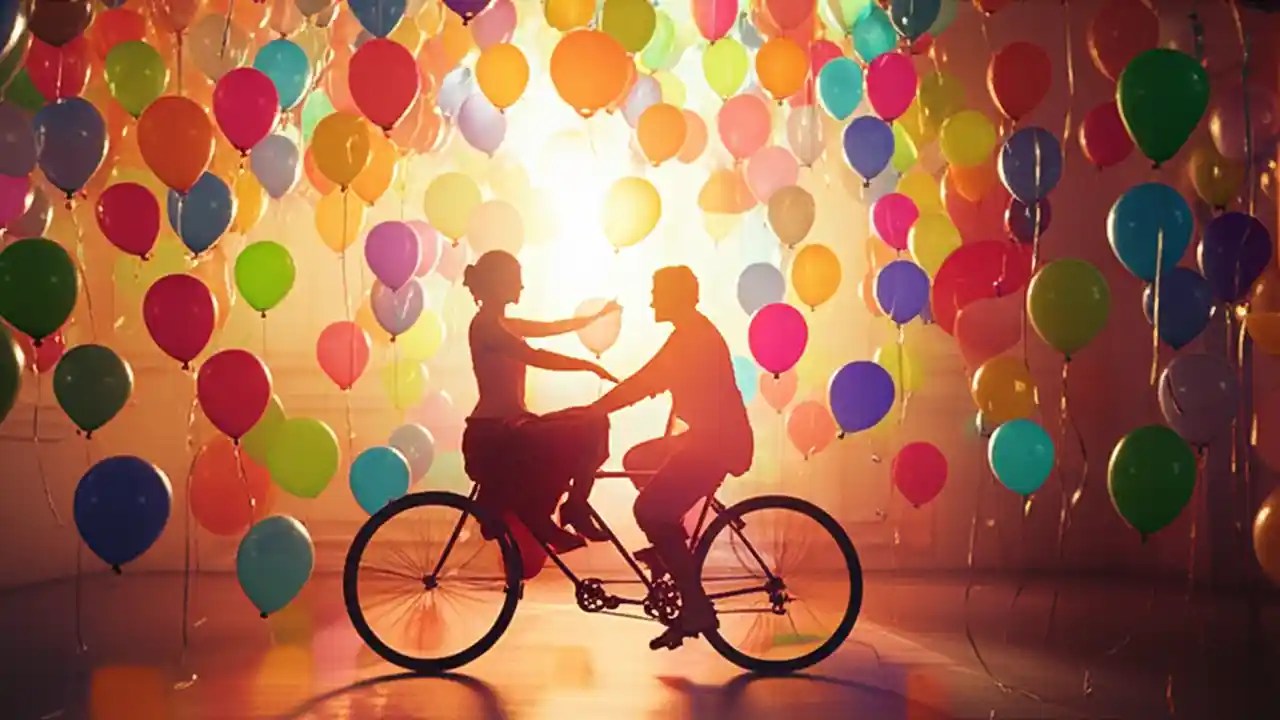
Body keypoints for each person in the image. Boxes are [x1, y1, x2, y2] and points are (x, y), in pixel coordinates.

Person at [588, 266, 753, 651]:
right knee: (636, 459)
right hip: (706, 439)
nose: (651, 300)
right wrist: (598, 409)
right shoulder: (690, 332)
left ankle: (695, 604)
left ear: (676, 296)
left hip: (715, 444)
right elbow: (649, 382)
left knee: (648, 511)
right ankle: (670, 544)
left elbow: (645, 382)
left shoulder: (692, 338)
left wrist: (594, 411)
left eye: (656, 292)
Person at [461, 250, 619, 551]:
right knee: (583, 427)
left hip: (514, 426)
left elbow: (552, 327)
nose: (521, 288)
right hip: (495, 434)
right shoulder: (486, 326)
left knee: (594, 420)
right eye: (517, 281)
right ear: (500, 284)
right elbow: (535, 357)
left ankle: (573, 506)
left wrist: (596, 317)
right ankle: (551, 513)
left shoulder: (504, 323)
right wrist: (588, 366)